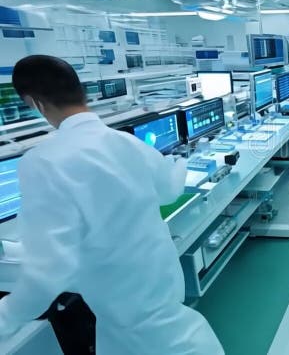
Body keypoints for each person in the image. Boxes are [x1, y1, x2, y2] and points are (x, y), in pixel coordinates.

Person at [0, 55, 224, 354]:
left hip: (127, 309)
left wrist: (5, 318)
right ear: (82, 91)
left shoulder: (42, 162)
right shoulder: (126, 142)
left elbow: (47, 270)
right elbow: (169, 190)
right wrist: (179, 161)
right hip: (155, 289)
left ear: (34, 102)